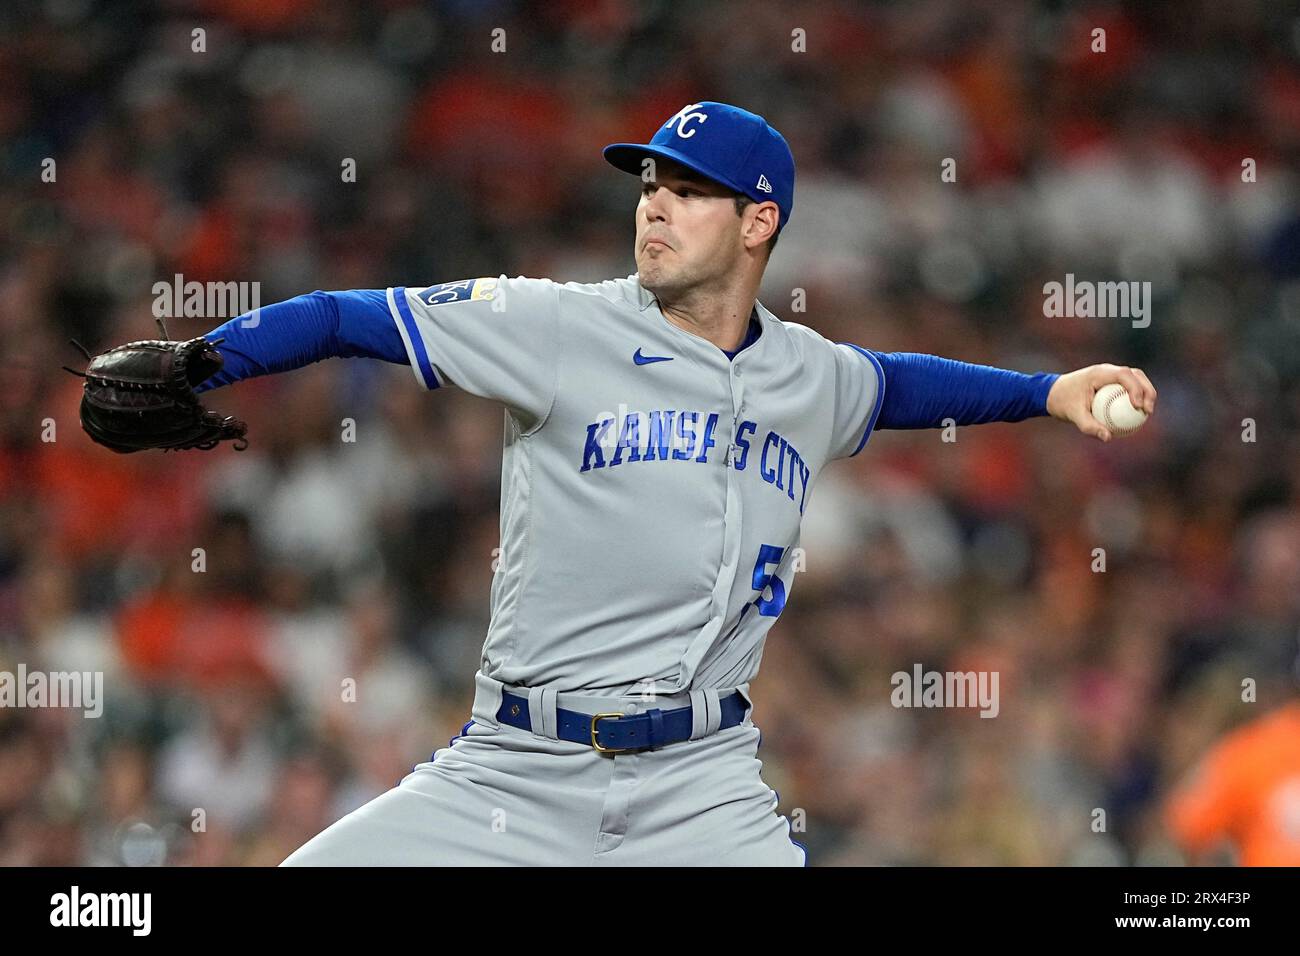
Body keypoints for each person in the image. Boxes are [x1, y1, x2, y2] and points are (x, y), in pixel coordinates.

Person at [172, 101, 1156, 865]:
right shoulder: (558, 324)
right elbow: (346, 315)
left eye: (689, 191)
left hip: (702, 786)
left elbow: (899, 384)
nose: (654, 204)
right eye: (651, 185)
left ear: (758, 221)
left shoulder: (807, 375)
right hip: (517, 769)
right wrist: (202, 364)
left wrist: (1047, 390)